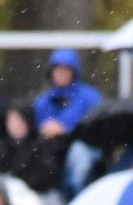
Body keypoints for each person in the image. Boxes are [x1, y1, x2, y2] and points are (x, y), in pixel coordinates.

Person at [34, 49, 104, 195]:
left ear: (74, 72)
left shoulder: (90, 97)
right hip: (54, 153)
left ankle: (78, 199)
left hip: (85, 148)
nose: (61, 73)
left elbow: (98, 129)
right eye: (58, 69)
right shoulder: (42, 102)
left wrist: (66, 130)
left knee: (78, 156)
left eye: (66, 69)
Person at [0, 105, 62, 197]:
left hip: (40, 194)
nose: (15, 125)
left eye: (18, 121)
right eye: (11, 122)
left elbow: (49, 174)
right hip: (12, 197)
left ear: (26, 120)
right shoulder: (1, 147)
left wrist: (25, 185)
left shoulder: (41, 144)